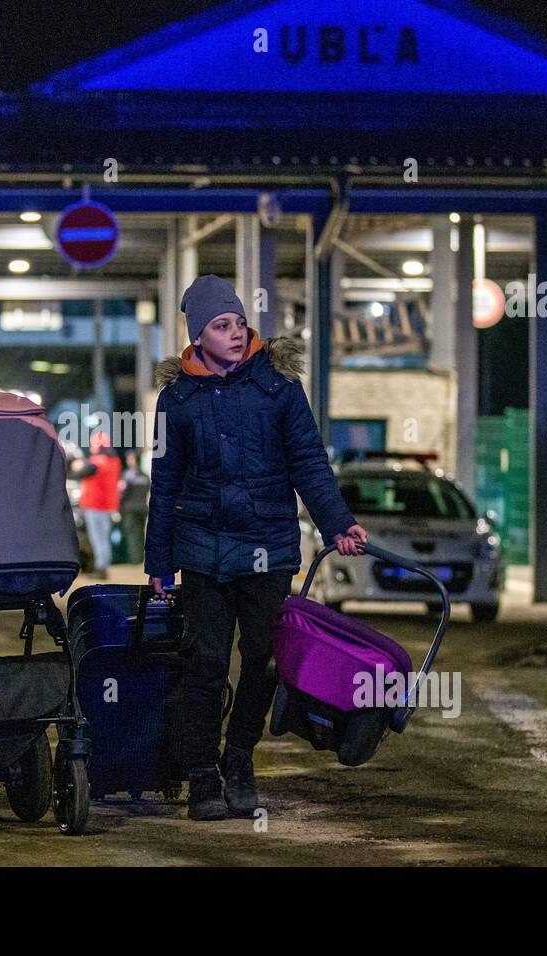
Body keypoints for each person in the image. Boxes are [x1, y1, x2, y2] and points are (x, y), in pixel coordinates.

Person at [145, 274, 369, 822]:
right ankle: (201, 777)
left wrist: (338, 522)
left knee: (264, 660)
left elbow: (310, 463)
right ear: (198, 337)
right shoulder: (175, 401)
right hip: (201, 551)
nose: (235, 333)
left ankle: (239, 759)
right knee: (204, 660)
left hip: (267, 544)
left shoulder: (280, 387)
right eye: (221, 325)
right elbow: (164, 482)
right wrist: (158, 562)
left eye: (239, 322)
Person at [73, 432, 120, 578]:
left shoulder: (97, 461)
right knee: (103, 538)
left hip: (95, 505)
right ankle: (102, 567)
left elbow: (79, 472)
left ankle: (101, 569)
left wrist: (77, 465)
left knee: (98, 539)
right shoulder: (114, 461)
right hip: (108, 506)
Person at [119, 450, 151, 566]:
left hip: (130, 508)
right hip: (142, 508)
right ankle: (140, 558)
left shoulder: (128, 475)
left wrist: (119, 504)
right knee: (140, 534)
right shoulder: (145, 475)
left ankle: (134, 560)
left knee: (132, 534)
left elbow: (123, 492)